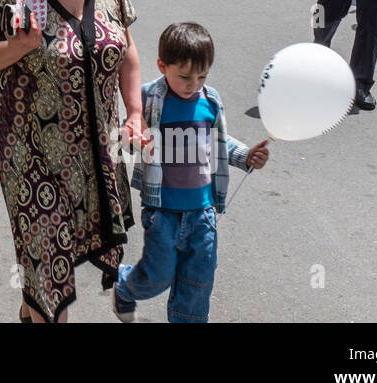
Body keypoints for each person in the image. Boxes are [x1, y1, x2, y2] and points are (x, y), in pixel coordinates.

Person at [0, 0, 142, 323]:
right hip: (29, 149)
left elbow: (128, 56)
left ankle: (31, 313)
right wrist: (20, 45)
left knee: (61, 251)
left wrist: (136, 114)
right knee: (46, 257)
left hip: (94, 146)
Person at [112, 22, 269, 324]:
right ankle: (125, 285)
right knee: (157, 277)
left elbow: (220, 142)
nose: (193, 84)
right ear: (162, 65)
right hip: (162, 213)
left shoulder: (209, 101)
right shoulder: (149, 99)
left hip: (202, 213)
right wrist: (130, 138)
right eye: (184, 76)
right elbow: (126, 139)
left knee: (198, 284)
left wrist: (247, 155)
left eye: (202, 75)